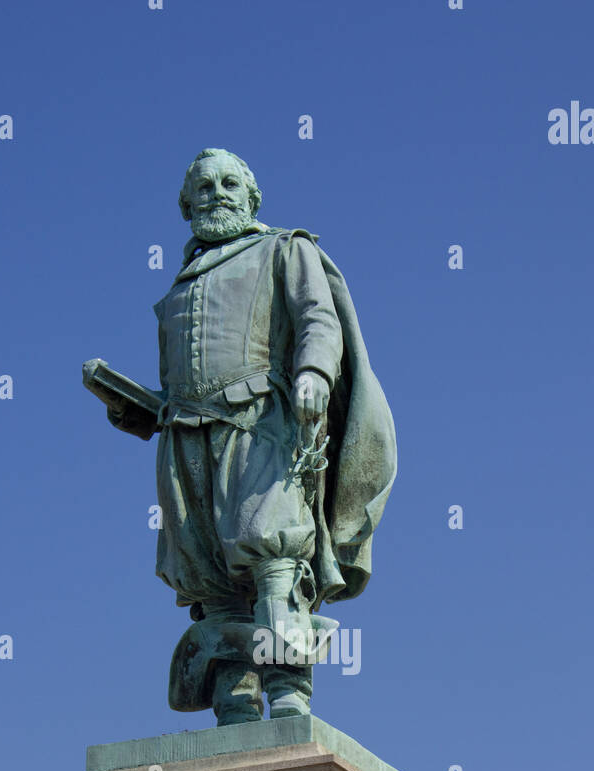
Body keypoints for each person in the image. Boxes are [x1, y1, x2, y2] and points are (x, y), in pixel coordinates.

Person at [106, 148, 395, 724]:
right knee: (209, 574)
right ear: (186, 204)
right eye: (204, 186)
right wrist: (141, 411)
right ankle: (235, 701)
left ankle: (288, 689)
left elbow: (318, 317)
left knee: (274, 553)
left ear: (252, 197)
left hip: (261, 426)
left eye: (229, 183)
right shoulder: (179, 285)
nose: (216, 193)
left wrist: (314, 372)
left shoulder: (286, 249)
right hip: (186, 439)